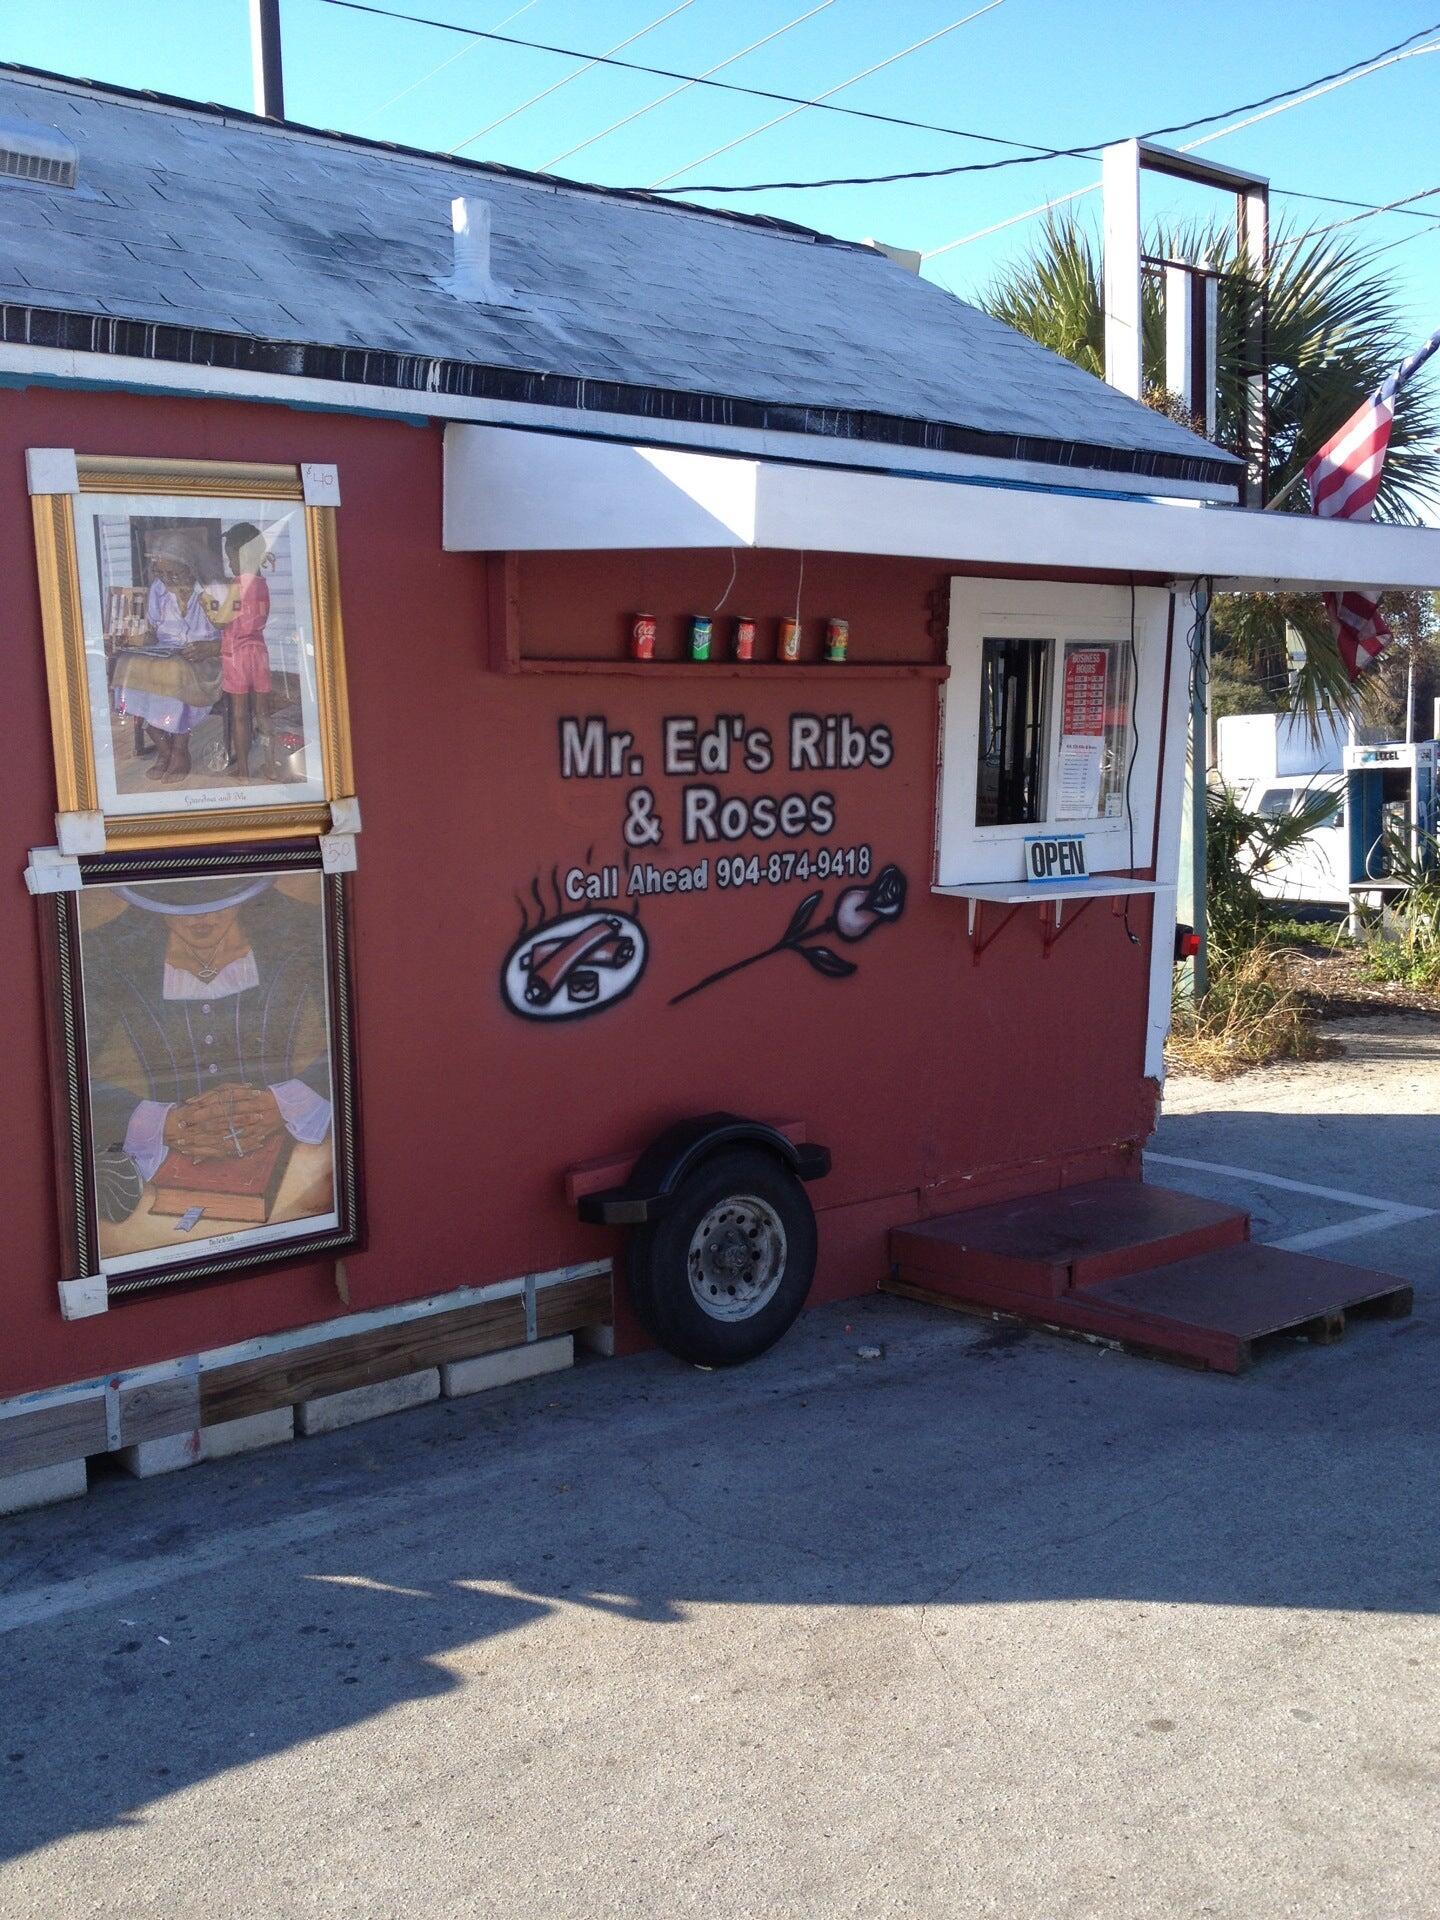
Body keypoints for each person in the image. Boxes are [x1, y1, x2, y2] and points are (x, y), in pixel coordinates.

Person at [82, 876, 333, 1237]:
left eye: (220, 899)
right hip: (160, 1171)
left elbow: (362, 1034)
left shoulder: (303, 929)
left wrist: (287, 1102)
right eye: (179, 902)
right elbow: (58, 1072)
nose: (202, 916)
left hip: (296, 1154)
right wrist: (157, 1121)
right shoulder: (107, 952)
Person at [109, 542, 223, 783]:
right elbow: (151, 630)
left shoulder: (211, 591)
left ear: (191, 570)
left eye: (173, 573)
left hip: (203, 657)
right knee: (127, 663)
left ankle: (179, 749)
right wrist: (133, 639)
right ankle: (164, 749)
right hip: (165, 651)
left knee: (174, 671)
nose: (166, 579)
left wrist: (210, 647)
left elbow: (230, 634)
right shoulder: (159, 589)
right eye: (160, 573)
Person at [202, 521, 278, 780]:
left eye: (230, 558)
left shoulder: (237, 585)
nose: (230, 564)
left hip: (236, 654)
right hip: (259, 651)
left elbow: (221, 620)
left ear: (239, 555)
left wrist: (208, 604)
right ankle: (270, 767)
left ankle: (244, 770)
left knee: (239, 715)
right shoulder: (261, 583)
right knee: (263, 712)